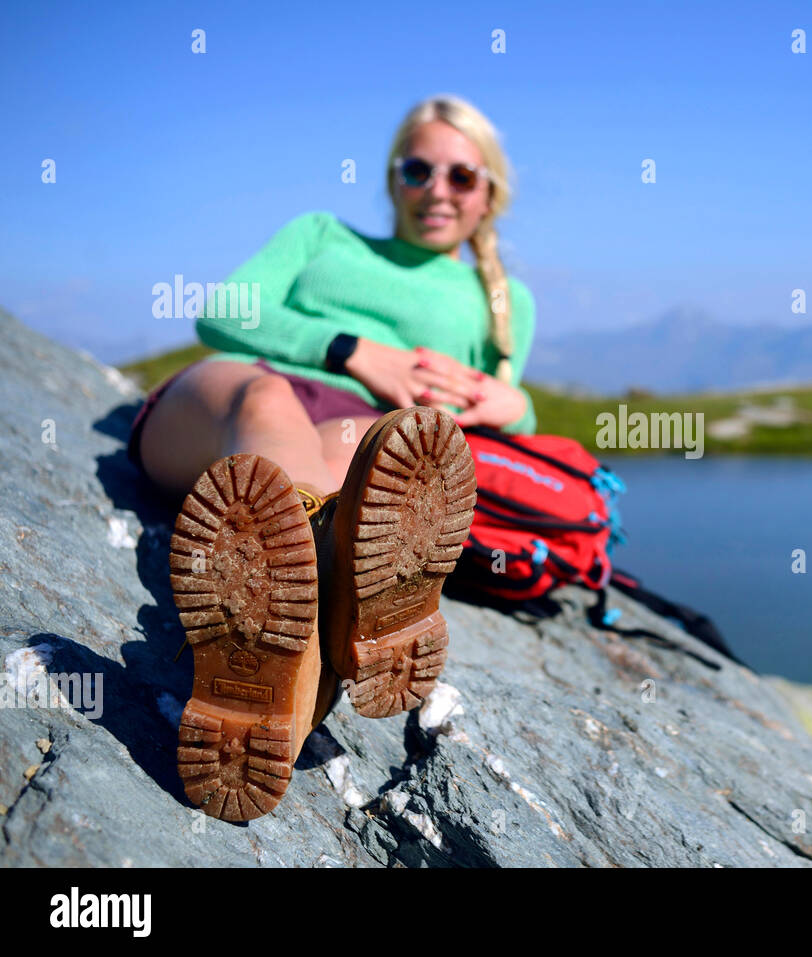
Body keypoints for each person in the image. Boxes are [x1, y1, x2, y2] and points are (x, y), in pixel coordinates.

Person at [131, 95, 535, 821]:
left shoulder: (501, 301)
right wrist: (352, 349)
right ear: (392, 179)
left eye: (460, 176)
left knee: (377, 455)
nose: (436, 190)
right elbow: (224, 309)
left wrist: (519, 405)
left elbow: (504, 429)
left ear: (488, 193)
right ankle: (325, 601)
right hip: (239, 392)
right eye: (418, 170)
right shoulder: (321, 234)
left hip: (356, 434)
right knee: (266, 410)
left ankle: (281, 672)